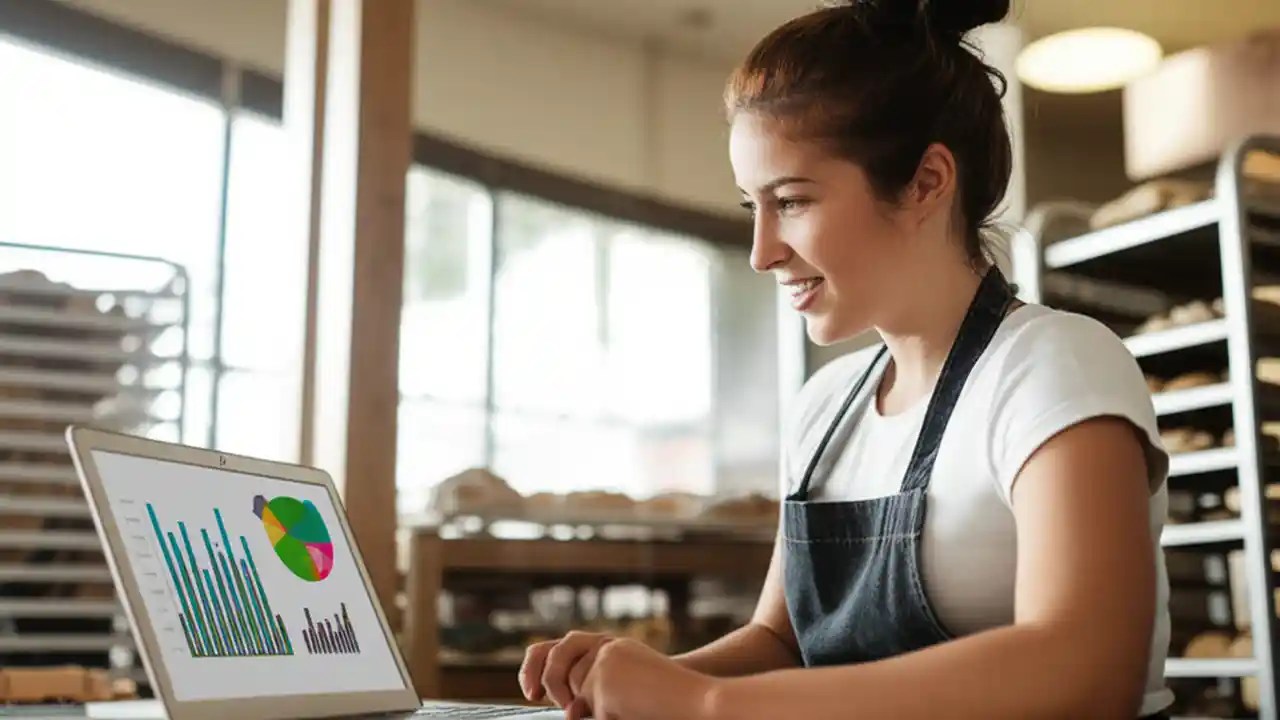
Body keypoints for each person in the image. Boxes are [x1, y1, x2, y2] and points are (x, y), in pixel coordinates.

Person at [518, 0, 1173, 717]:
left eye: (792, 202)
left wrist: (705, 705)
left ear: (927, 182)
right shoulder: (825, 407)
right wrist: (633, 678)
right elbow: (780, 640)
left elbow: (1086, 667)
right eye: (752, 209)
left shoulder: (1053, 365)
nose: (763, 251)